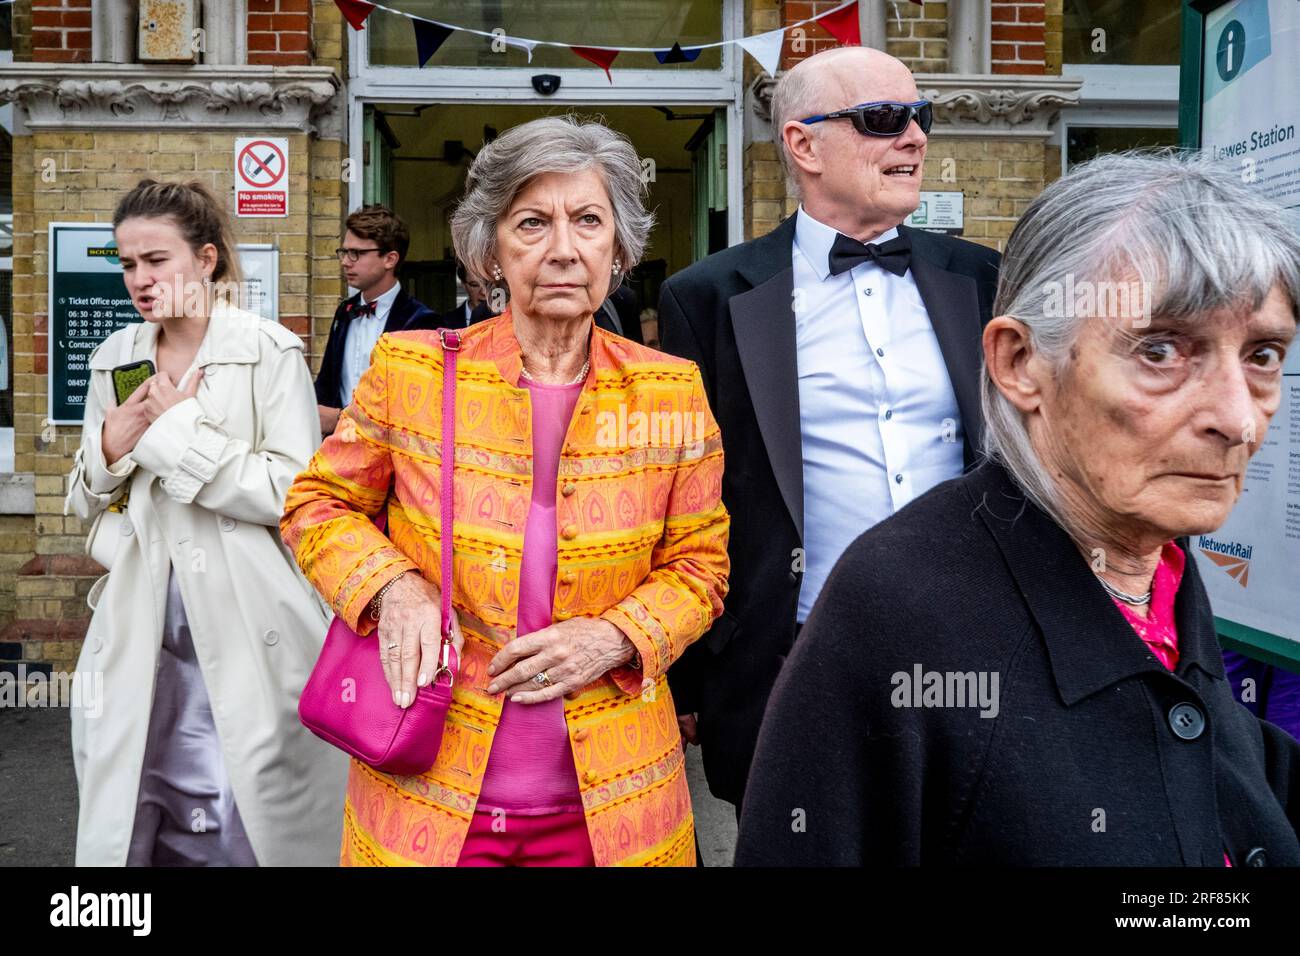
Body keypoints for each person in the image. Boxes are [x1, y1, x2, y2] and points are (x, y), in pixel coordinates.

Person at [735, 150, 1300, 866]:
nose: (1238, 419)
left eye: (1263, 354)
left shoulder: (1158, 557)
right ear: (1021, 364)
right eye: (1160, 350)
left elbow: (1211, 756)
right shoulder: (898, 605)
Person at [281, 115, 730, 867]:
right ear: (489, 251)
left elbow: (701, 569)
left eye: (588, 220)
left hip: (617, 806)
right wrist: (394, 587)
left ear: (618, 250)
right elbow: (316, 504)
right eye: (532, 222)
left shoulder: (669, 391)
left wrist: (615, 637)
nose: (562, 247)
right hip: (428, 795)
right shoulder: (413, 370)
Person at [656, 45, 1000, 811]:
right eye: (883, 119)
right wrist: (687, 675)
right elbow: (677, 495)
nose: (913, 138)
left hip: (971, 648)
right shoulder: (706, 297)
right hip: (792, 655)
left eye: (921, 117)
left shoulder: (981, 278)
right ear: (803, 144)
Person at [64, 178, 349, 866]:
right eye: (127, 264)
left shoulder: (266, 351)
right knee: (136, 805)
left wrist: (173, 436)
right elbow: (83, 497)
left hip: (252, 617)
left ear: (207, 260)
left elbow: (293, 492)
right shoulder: (119, 359)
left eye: (156, 260)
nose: (139, 278)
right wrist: (110, 446)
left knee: (245, 813)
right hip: (142, 621)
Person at [315, 204, 438, 438]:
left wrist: (341, 417)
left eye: (356, 253)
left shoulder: (422, 321)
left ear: (390, 259)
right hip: (338, 449)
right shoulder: (344, 312)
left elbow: (414, 407)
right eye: (344, 252)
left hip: (392, 454)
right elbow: (327, 383)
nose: (345, 262)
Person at [440, 260, 489, 328]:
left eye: (488, 284)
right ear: (463, 285)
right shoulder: (446, 322)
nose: (483, 292)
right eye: (475, 285)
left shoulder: (505, 319)